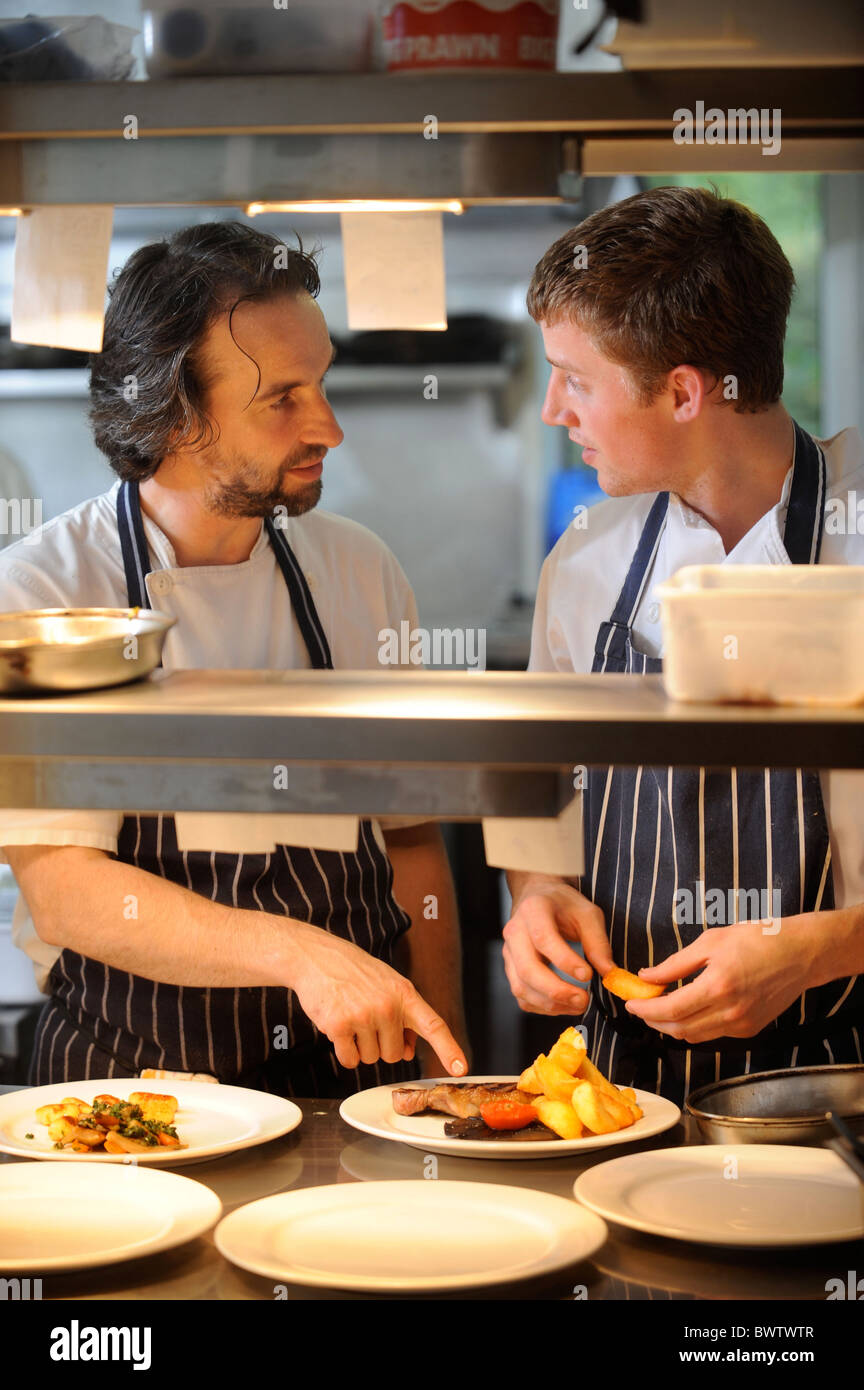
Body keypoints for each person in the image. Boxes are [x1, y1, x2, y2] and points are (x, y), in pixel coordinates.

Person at [0, 221, 468, 1096]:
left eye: (320, 383)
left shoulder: (359, 570)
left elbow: (411, 842)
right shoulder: (42, 594)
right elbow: (67, 890)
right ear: (174, 414)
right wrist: (301, 955)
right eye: (281, 398)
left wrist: (444, 1076)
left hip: (355, 1076)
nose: (327, 425)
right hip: (130, 1086)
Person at [503, 185, 864, 1105]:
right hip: (620, 1088)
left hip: (838, 1077)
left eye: (576, 379)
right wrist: (535, 895)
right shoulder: (584, 562)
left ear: (683, 391)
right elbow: (538, 796)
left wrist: (821, 947)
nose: (554, 410)